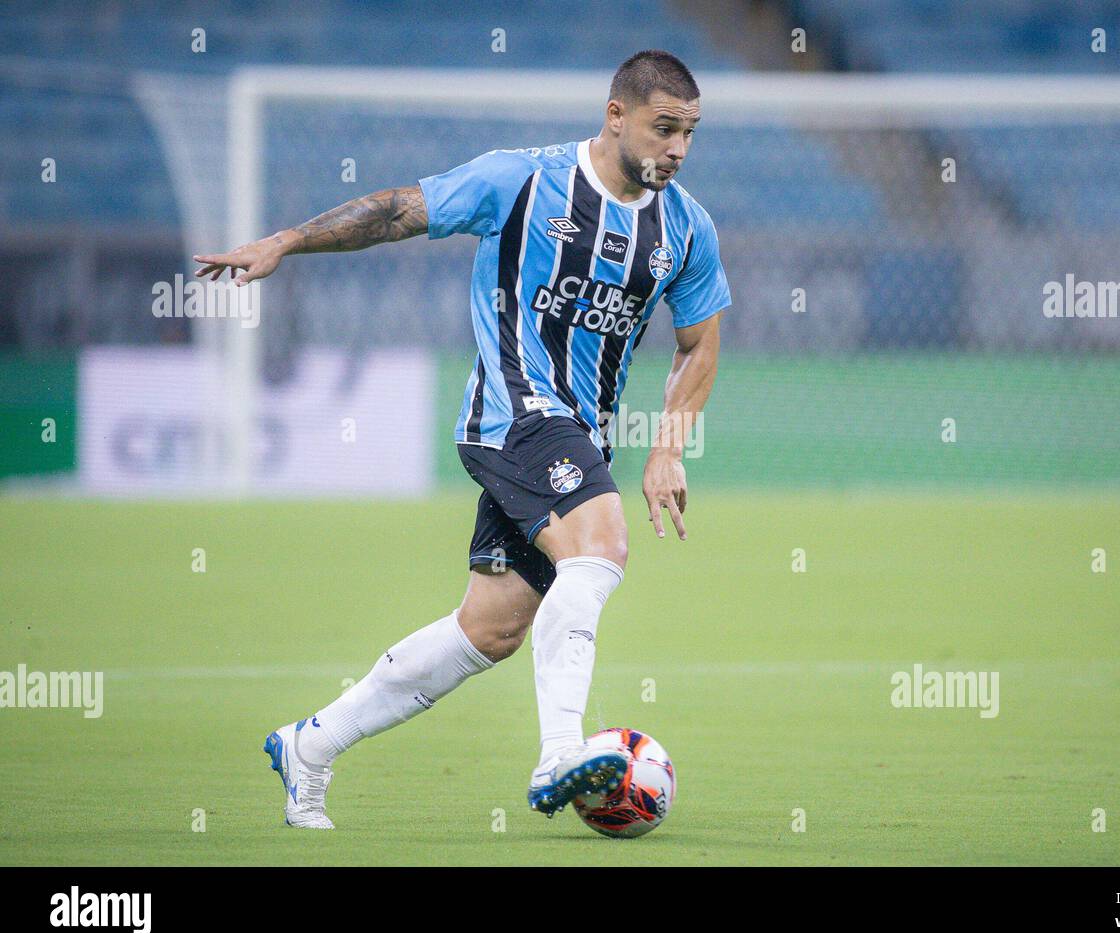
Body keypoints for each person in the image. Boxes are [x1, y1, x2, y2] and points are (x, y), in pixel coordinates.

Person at [194, 49, 730, 829]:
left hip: (578, 435)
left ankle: (309, 745)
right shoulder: (524, 181)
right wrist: (286, 241)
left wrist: (669, 447)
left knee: (493, 627)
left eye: (689, 132)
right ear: (616, 116)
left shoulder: (685, 227)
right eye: (664, 128)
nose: (678, 149)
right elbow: (394, 212)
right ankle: (558, 755)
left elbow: (699, 345)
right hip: (513, 414)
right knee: (602, 546)